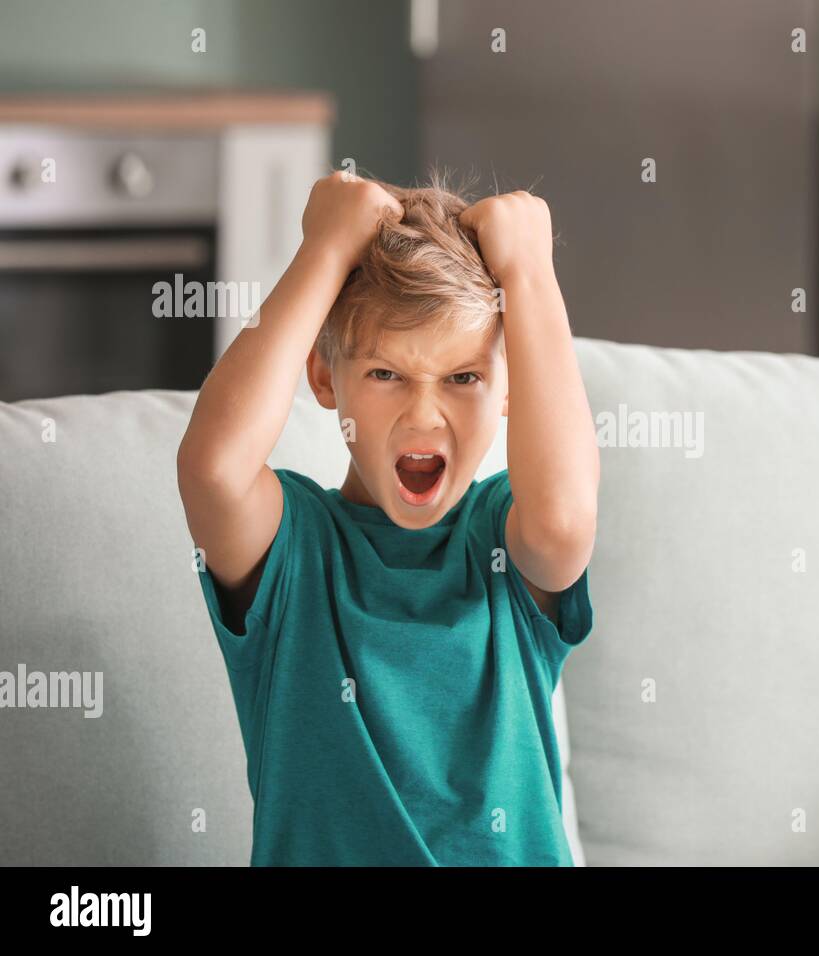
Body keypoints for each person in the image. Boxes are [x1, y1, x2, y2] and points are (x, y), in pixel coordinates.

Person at [176, 167, 599, 865]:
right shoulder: (294, 551)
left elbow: (562, 520)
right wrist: (324, 250)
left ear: (507, 387)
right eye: (385, 374)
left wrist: (529, 271)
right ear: (323, 377)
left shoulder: (501, 542)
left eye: (463, 378)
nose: (424, 415)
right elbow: (212, 469)